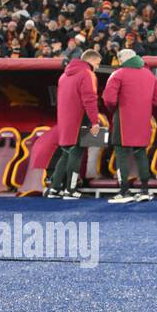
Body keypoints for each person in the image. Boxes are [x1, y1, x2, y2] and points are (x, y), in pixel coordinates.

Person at [101, 48, 157, 204]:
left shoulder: (118, 74)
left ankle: (124, 191)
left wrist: (114, 110)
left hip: (123, 119)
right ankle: (144, 190)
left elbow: (108, 99)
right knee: (141, 153)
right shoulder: (150, 75)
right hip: (143, 121)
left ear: (122, 59)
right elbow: (156, 100)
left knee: (121, 154)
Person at [46, 48, 102, 199]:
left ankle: (55, 188)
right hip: (80, 120)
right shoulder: (87, 74)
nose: (97, 67)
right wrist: (95, 121)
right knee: (76, 154)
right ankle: (71, 190)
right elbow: (89, 99)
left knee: (66, 154)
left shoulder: (64, 75)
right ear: (90, 60)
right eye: (97, 63)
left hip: (65, 121)